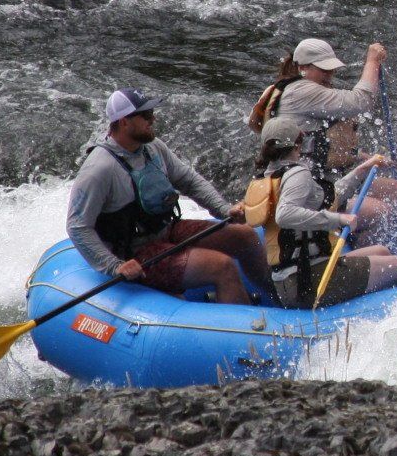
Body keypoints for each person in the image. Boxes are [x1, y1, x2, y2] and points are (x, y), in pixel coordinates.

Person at [67, 88, 275, 305]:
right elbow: (77, 226)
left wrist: (224, 210)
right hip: (135, 253)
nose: (153, 119)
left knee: (246, 236)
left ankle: (281, 302)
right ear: (124, 122)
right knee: (222, 266)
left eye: (152, 112)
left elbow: (189, 181)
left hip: (166, 230)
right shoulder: (99, 169)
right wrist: (114, 266)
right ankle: (244, 324)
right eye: (145, 115)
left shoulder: (152, 148)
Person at [247, 117, 397, 307]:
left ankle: (392, 307)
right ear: (297, 144)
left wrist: (362, 169)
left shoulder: (265, 178)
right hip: (311, 282)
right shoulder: (297, 174)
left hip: (290, 282)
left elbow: (330, 199)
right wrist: (338, 219)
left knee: (381, 251)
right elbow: (285, 214)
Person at [245, 38, 386, 180]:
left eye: (331, 70)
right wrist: (372, 61)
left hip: (292, 175)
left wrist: (359, 156)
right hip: (301, 182)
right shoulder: (302, 92)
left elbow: (313, 144)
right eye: (324, 70)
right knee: (393, 191)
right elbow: (361, 101)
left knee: (395, 187)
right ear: (302, 68)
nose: (329, 75)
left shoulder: (286, 88)